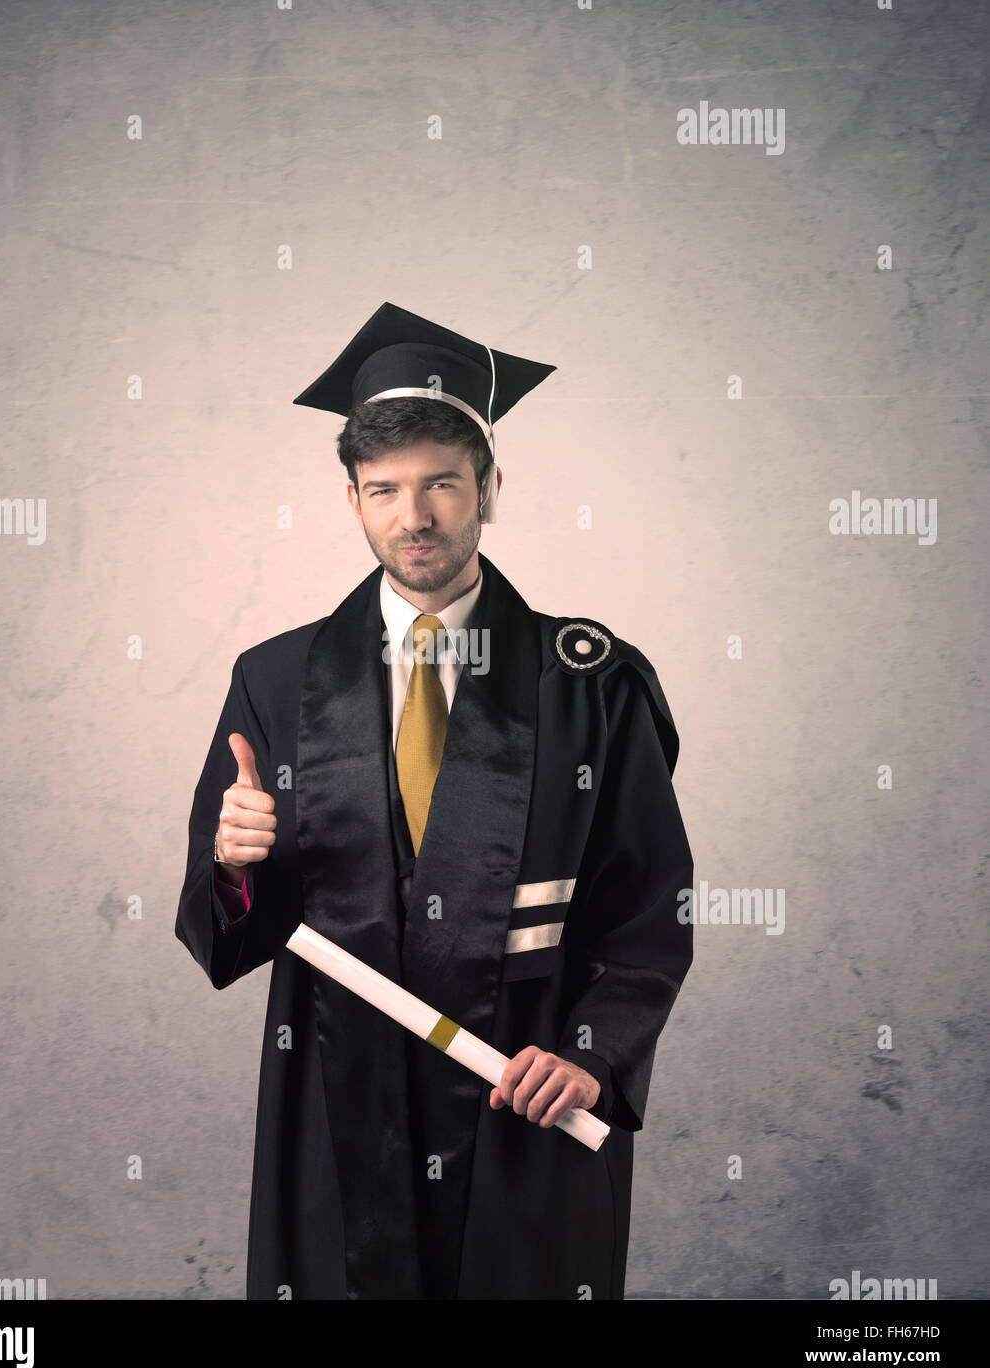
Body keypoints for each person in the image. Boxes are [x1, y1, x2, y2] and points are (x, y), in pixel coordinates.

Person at [174, 302, 694, 1300]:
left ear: (490, 486)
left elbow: (647, 914)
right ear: (353, 500)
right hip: (335, 1100)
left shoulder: (587, 682)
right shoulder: (275, 682)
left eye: (442, 485)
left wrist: (590, 1056)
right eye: (386, 490)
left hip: (522, 1093)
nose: (415, 518)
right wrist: (235, 872)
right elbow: (223, 939)